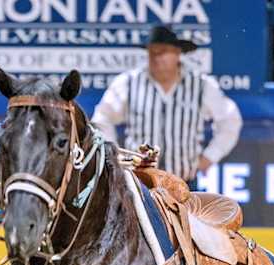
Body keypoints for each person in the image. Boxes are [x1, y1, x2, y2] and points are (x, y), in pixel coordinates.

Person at [92, 25, 243, 189]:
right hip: (139, 183)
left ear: (177, 53)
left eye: (163, 51)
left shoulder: (201, 85)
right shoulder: (129, 83)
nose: (157, 57)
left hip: (183, 184)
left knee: (192, 215)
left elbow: (230, 120)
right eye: (152, 52)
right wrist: (115, 156)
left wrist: (210, 156)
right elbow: (102, 118)